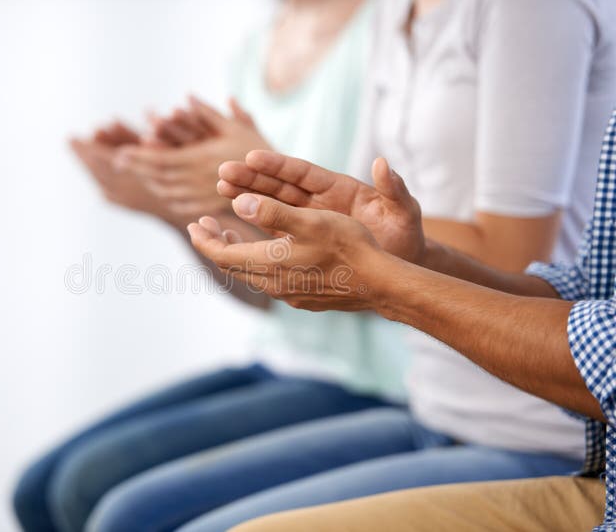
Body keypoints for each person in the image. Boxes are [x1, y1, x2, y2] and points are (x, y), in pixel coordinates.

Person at [85, 0, 616, 531]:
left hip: (531, 428)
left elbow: (515, 258)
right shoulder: (393, 12)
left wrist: (377, 265)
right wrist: (212, 201)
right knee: (118, 509)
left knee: (129, 511)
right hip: (438, 406)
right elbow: (365, 212)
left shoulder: (529, 10)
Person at [12, 0, 404, 531]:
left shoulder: (386, 32)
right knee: (37, 491)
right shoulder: (256, 49)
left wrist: (269, 180)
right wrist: (175, 206)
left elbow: (392, 260)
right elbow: (266, 294)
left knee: (96, 494)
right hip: (285, 361)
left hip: (383, 382)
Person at [190, 110, 616, 532]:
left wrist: (387, 283)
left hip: (521, 438)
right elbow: (587, 297)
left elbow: (603, 360)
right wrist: (417, 260)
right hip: (473, 424)